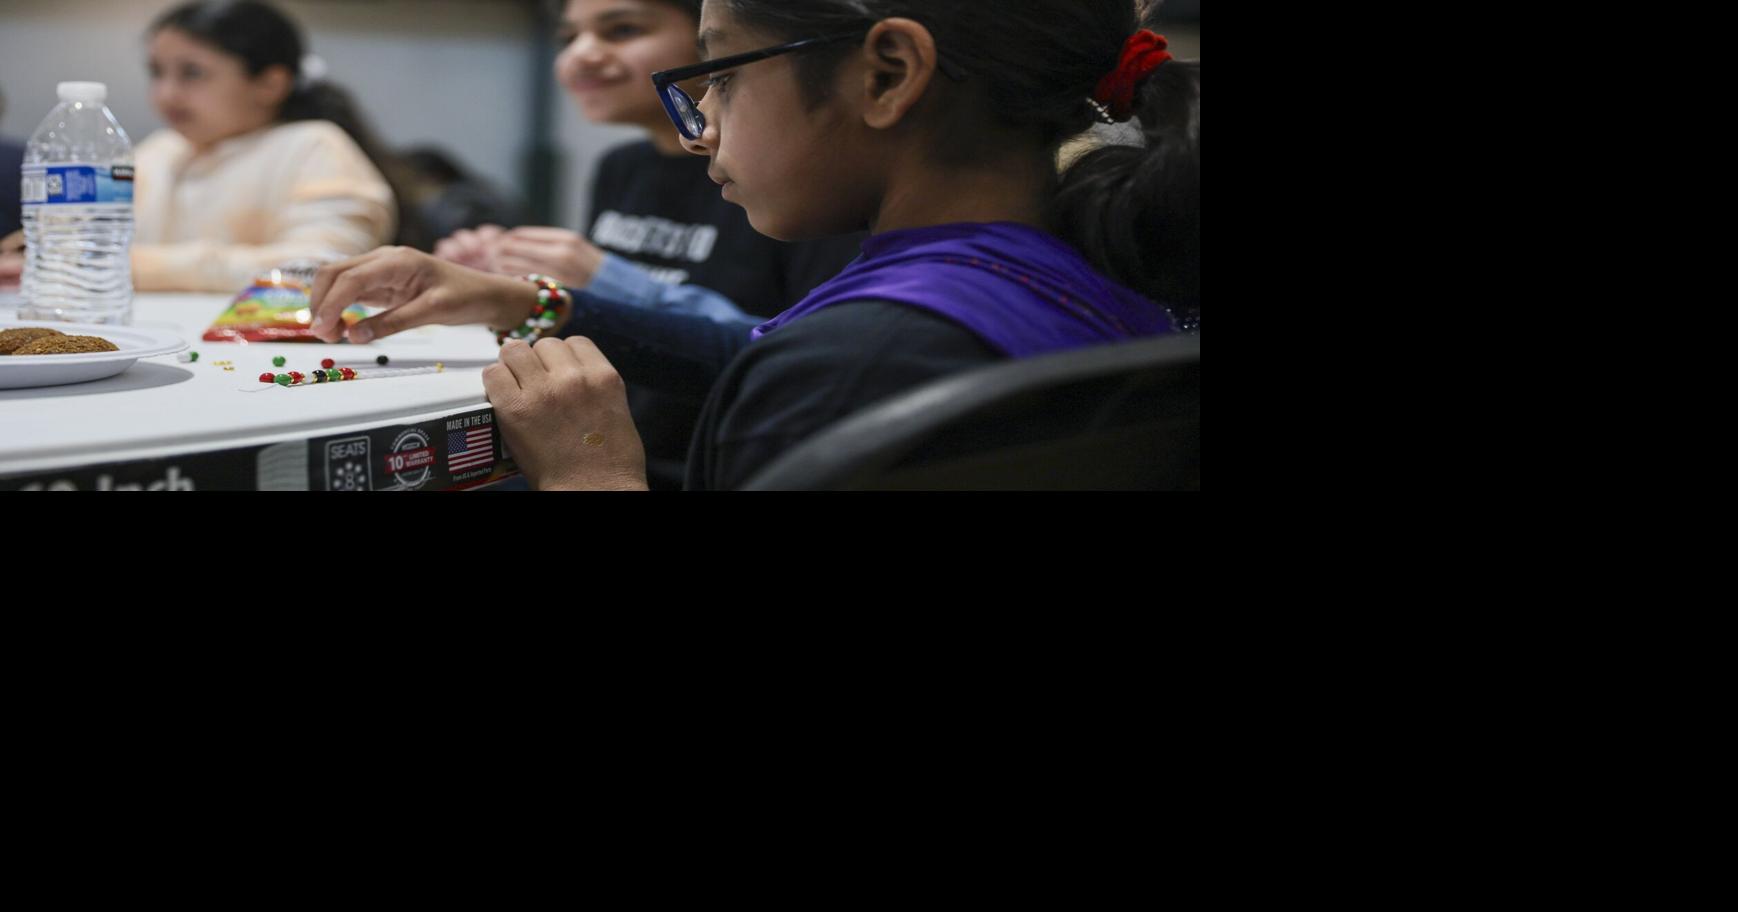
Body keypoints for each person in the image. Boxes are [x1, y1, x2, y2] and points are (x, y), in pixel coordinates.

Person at [309, 0, 1200, 491]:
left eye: (722, 77)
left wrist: (592, 472)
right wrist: (530, 301)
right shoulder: (1088, 261)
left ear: (886, 74)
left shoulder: (854, 364)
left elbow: (802, 374)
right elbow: (764, 355)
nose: (700, 133)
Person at [437, 0, 863, 488]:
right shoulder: (621, 166)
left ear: (705, 41)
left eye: (622, 30)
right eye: (568, 37)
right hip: (616, 436)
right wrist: (509, 272)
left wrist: (592, 282)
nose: (582, 56)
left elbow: (793, 355)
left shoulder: (795, 183)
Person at [131, 0, 417, 293]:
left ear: (271, 84)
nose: (166, 94)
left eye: (192, 73)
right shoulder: (161, 151)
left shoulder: (314, 147)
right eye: (157, 72)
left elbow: (323, 269)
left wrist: (142, 267)